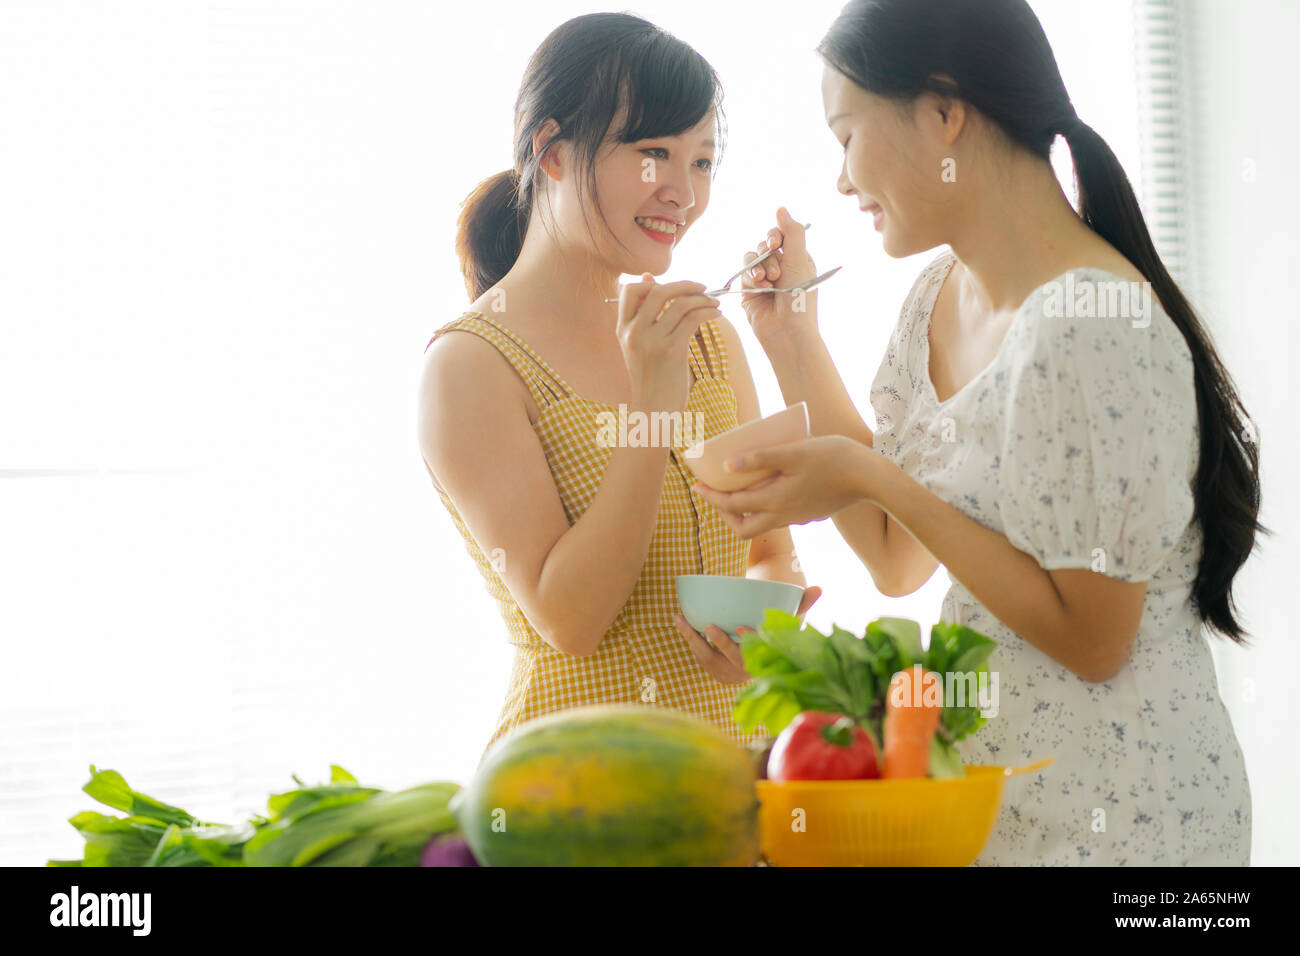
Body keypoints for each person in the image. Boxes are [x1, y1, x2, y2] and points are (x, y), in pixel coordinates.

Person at [694, 0, 1262, 865]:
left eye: (846, 136)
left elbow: (1094, 641)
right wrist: (792, 337)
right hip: (1003, 813)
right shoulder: (938, 296)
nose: (841, 181)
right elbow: (893, 554)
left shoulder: (1092, 324)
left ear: (944, 112)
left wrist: (866, 474)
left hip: (1135, 829)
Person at [417, 13, 819, 762]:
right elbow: (571, 618)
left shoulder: (707, 338)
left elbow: (768, 548)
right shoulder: (469, 365)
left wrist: (764, 632)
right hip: (579, 795)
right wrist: (651, 410)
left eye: (702, 161)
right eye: (653, 153)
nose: (684, 193)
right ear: (553, 151)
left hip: (743, 783)